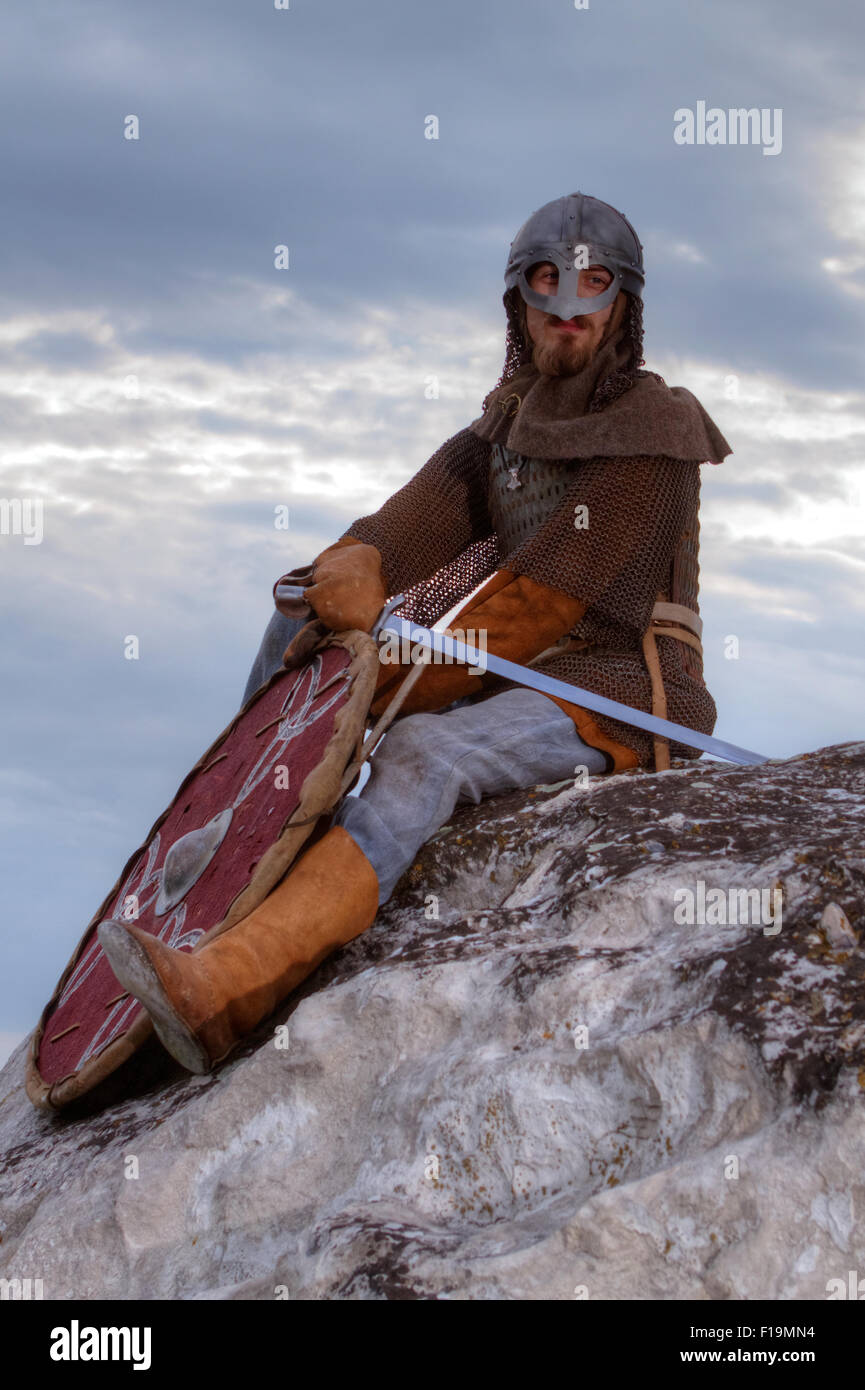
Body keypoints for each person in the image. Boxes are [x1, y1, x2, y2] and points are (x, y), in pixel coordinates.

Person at [99, 192, 731, 1076]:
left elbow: (533, 609)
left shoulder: (655, 436)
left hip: (614, 692)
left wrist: (374, 687)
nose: (567, 309)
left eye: (590, 286)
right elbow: (401, 529)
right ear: (520, 301)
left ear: (620, 303)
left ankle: (229, 986)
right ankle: (237, 857)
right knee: (296, 633)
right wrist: (349, 566)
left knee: (427, 753)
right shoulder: (502, 430)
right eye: (548, 284)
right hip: (510, 672)